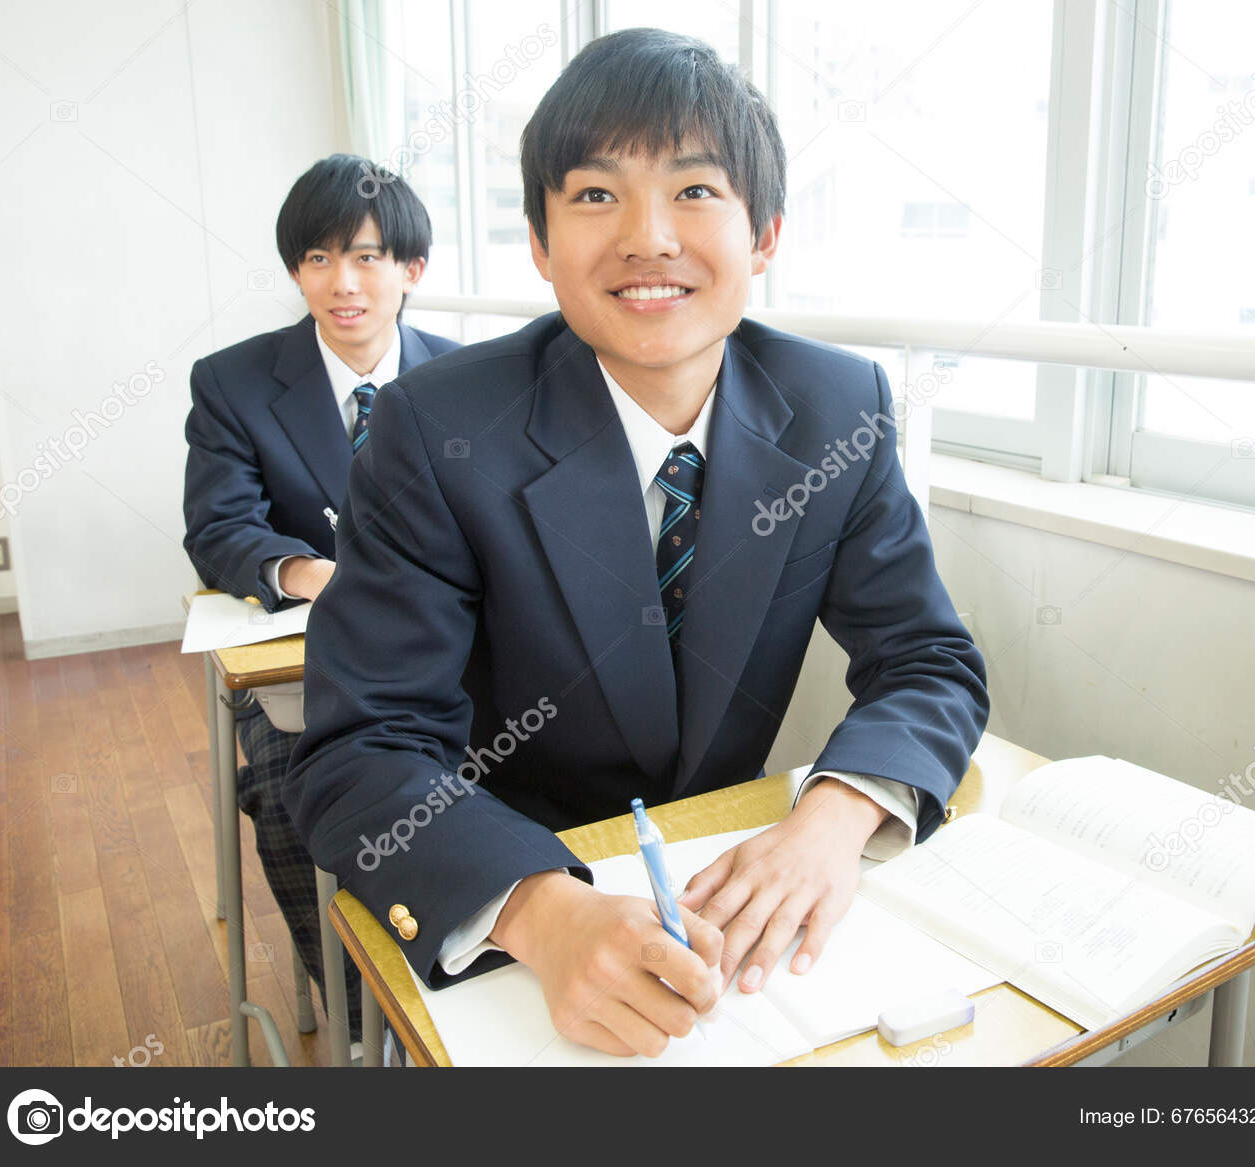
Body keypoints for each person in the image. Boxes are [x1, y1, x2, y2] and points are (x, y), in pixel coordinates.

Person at [284, 29, 988, 1059]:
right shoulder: (437, 429)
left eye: (696, 191)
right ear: (539, 242)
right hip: (511, 906)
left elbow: (928, 661)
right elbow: (360, 749)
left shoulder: (838, 405)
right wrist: (542, 910)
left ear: (766, 235)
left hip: (727, 919)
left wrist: (832, 819)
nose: (649, 238)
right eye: (596, 196)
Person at [182, 154, 461, 1043]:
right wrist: (311, 572)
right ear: (296, 270)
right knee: (290, 796)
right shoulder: (233, 382)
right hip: (306, 666)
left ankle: (456, 993)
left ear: (412, 269)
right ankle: (362, 1020)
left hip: (449, 662)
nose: (343, 284)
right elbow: (219, 528)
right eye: (317, 259)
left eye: (369, 257)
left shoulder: (468, 380)